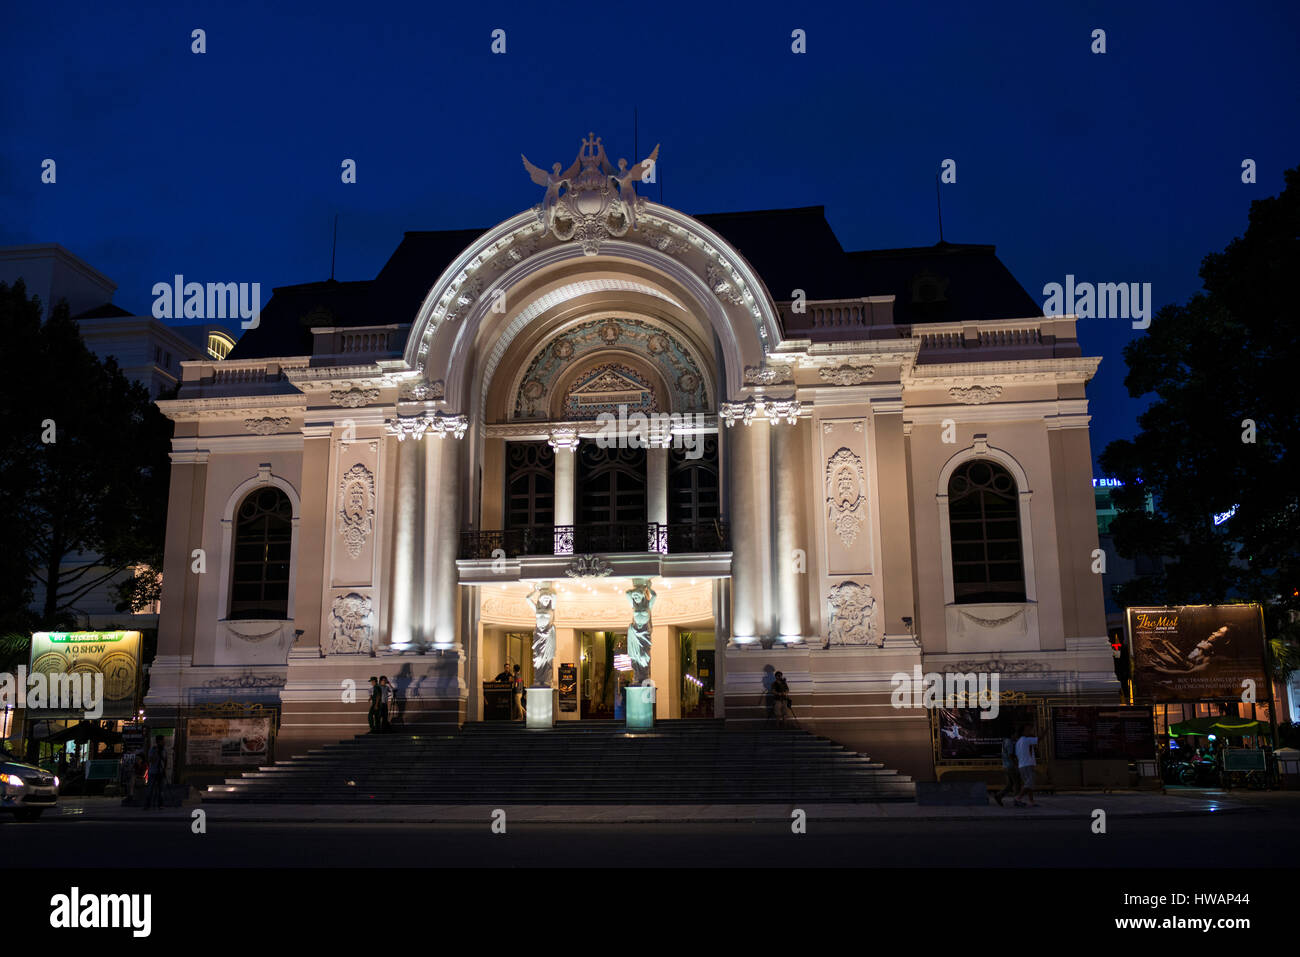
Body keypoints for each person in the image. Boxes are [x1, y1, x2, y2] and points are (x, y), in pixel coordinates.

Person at [1013, 724, 1039, 807]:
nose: (1029, 731)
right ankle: (1018, 798)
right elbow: (1039, 739)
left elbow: (1017, 755)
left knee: (1029, 784)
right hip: (1027, 765)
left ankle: (1031, 801)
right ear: (1023, 732)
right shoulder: (1026, 740)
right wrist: (1045, 731)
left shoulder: (1019, 742)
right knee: (1029, 783)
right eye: (1028, 730)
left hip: (1022, 765)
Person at [995, 727, 1021, 806]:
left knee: (1010, 785)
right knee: (1017, 784)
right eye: (1016, 734)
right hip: (1011, 766)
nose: (1017, 735)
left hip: (1006, 765)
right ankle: (1016, 800)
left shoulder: (1005, 741)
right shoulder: (1009, 742)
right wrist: (1016, 764)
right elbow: (1010, 755)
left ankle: (999, 795)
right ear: (1012, 734)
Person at [144, 736, 166, 810]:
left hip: (161, 771)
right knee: (150, 789)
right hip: (153, 772)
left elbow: (165, 760)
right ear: (159, 742)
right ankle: (147, 804)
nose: (164, 742)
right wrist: (156, 752)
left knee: (161, 790)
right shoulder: (152, 750)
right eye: (163, 741)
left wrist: (164, 769)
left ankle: (161, 804)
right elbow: (150, 760)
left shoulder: (164, 750)